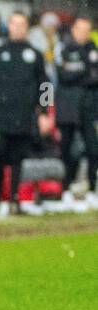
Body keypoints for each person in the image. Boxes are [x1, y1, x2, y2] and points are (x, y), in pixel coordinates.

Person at [0, 11, 51, 215]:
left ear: (26, 27)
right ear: (9, 25)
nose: (18, 28)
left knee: (18, 160)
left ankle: (14, 200)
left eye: (22, 24)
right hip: (1, 114)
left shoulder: (34, 53)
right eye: (15, 24)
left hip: (24, 115)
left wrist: (43, 112)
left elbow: (45, 85)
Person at [55, 16, 98, 206]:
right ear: (73, 29)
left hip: (89, 107)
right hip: (67, 108)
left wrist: (76, 72)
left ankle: (91, 189)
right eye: (80, 29)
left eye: (87, 30)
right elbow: (59, 77)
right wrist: (43, 109)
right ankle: (65, 189)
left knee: (92, 149)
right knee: (67, 150)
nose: (84, 34)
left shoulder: (93, 49)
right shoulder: (62, 47)